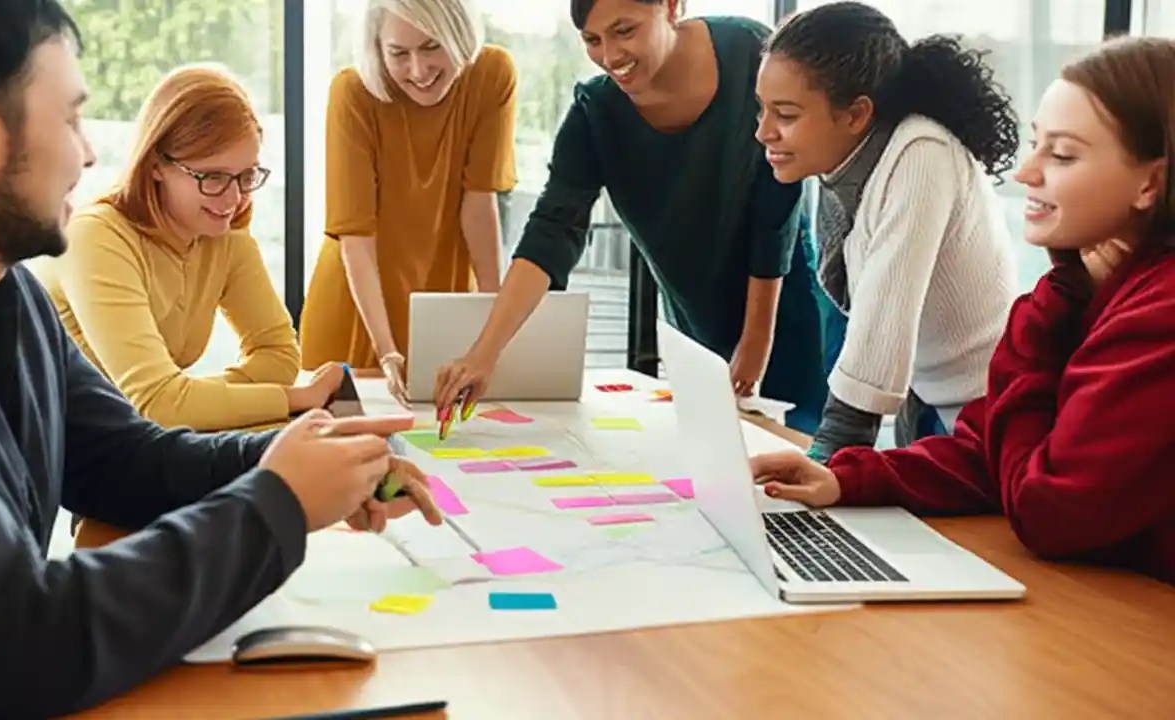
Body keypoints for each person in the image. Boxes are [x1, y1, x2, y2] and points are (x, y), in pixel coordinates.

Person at [0, 2, 441, 715]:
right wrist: (278, 502)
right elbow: (17, 634)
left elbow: (125, 461)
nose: (87, 153)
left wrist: (304, 461)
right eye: (68, 119)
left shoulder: (12, 305)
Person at [750, 36, 1175, 585]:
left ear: (1151, 183)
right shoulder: (1099, 287)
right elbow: (986, 453)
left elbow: (1050, 512)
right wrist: (846, 481)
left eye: (1063, 154)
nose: (1027, 173)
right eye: (1036, 144)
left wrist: (1050, 306)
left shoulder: (1157, 314)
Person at [433, 0, 828, 432]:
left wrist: (755, 341)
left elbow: (776, 210)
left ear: (671, 6)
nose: (610, 55)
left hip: (778, 303)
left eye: (625, 30)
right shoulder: (595, 113)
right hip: (693, 312)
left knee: (800, 450)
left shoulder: (751, 53)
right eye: (592, 40)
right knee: (717, 454)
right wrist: (483, 354)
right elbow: (551, 231)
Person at [754, 1, 1020, 462]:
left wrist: (828, 458)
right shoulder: (844, 166)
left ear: (856, 114)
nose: (763, 132)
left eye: (787, 114)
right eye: (762, 110)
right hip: (929, 400)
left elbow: (884, 314)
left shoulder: (922, 153)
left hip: (981, 417)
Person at [32, 64, 339, 432]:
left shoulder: (224, 232)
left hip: (135, 444)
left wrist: (191, 398)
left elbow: (279, 357)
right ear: (157, 164)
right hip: (62, 453)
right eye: (213, 177)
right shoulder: (97, 237)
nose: (234, 198)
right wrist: (292, 397)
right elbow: (158, 405)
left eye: (246, 176)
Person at [299, 0, 517, 406]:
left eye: (432, 46)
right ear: (378, 47)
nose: (419, 71)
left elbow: (479, 204)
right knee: (345, 455)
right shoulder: (352, 93)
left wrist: (494, 334)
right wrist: (386, 351)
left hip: (441, 297)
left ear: (459, 33)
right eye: (399, 53)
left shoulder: (492, 76)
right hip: (357, 304)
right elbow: (356, 237)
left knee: (445, 458)